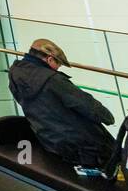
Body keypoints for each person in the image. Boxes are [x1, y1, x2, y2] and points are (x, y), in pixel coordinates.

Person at [8, 38, 116, 168]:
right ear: (49, 59)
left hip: (50, 141)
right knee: (114, 151)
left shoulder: (15, 73)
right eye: (58, 65)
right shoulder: (53, 80)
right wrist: (108, 117)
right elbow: (88, 106)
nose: (57, 69)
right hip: (81, 147)